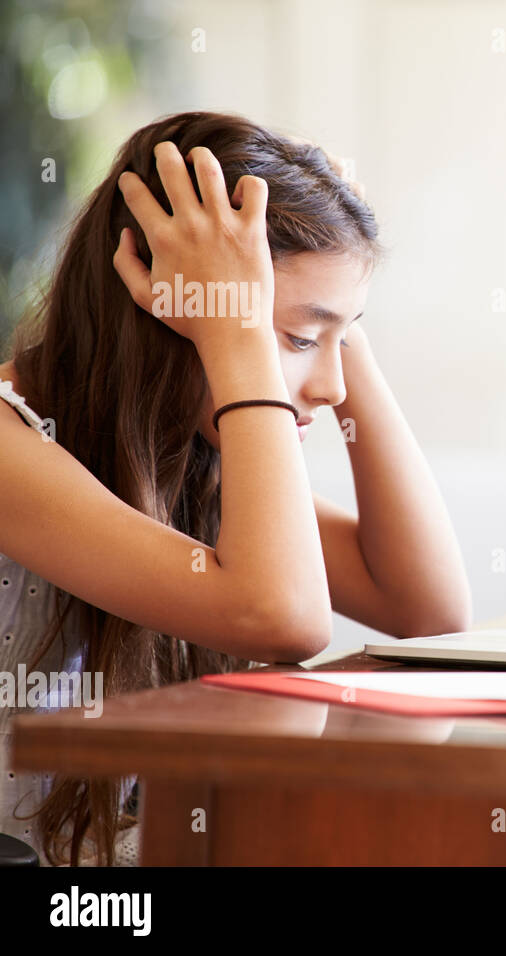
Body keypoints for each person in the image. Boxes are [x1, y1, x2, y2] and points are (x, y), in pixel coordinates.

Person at [0, 111, 472, 866]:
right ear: (163, 306)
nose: (329, 386)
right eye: (297, 339)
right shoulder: (9, 450)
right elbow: (280, 616)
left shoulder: (180, 454)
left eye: (341, 338)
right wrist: (239, 333)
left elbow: (427, 610)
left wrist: (330, 312)